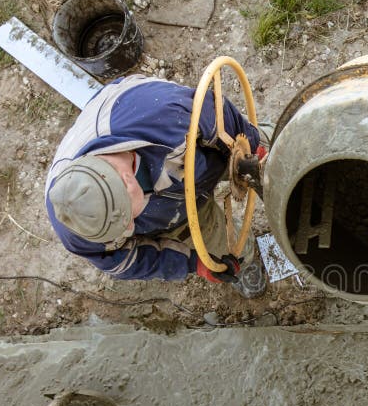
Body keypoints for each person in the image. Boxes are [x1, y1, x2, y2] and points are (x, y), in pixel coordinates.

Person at [45, 75, 273, 298]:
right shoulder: (78, 227)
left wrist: (252, 150)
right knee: (223, 253)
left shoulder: (162, 117)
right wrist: (195, 263)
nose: (132, 228)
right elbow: (127, 261)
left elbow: (217, 116)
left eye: (128, 217)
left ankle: (285, 146)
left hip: (193, 152)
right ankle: (247, 259)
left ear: (127, 180)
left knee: (276, 156)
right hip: (171, 211)